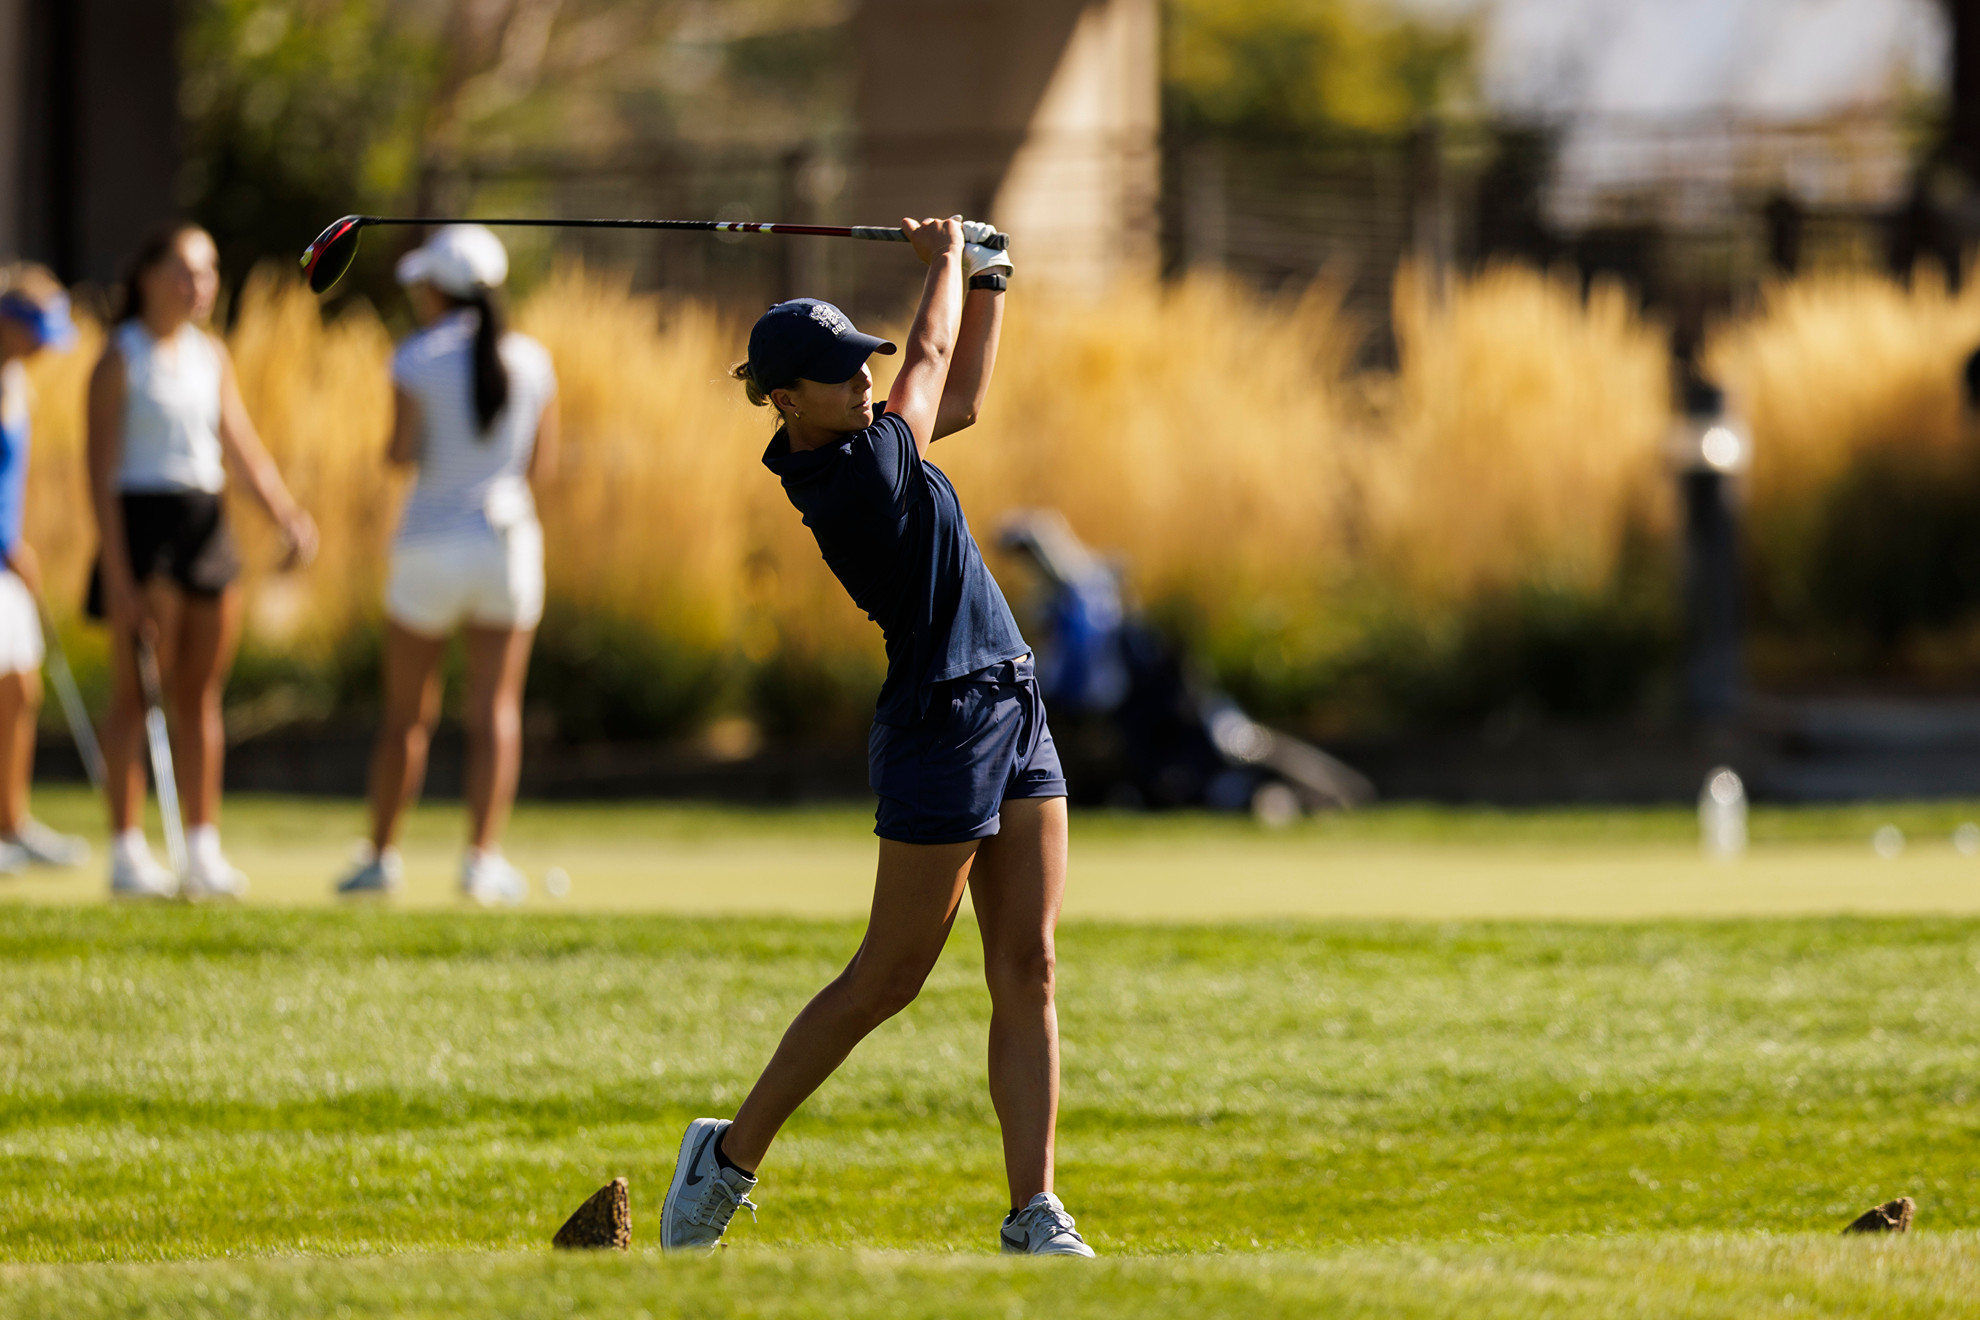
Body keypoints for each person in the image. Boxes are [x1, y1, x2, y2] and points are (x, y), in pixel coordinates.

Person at [657, 220, 1094, 1257]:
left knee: (1028, 966)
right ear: (782, 400)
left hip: (1012, 702)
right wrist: (943, 257)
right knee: (888, 977)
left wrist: (988, 276)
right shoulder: (855, 478)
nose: (861, 382)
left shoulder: (876, 437)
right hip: (940, 725)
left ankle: (1034, 1211)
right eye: (835, 375)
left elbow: (964, 394)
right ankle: (725, 1158)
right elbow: (931, 362)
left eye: (863, 366)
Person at [86, 223, 318, 900]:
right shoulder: (119, 357)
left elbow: (238, 443)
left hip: (205, 521)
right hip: (142, 523)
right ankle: (128, 850)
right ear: (150, 277)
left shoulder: (210, 355)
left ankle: (201, 849)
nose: (200, 285)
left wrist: (284, 514)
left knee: (200, 694)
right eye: (187, 270)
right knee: (136, 697)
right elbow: (99, 475)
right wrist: (120, 575)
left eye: (209, 272)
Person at [333, 225, 557, 905]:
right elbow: (540, 467)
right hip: (506, 544)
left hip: (430, 544)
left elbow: (399, 452)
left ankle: (380, 857)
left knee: (407, 714)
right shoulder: (533, 359)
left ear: (438, 289)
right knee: (495, 710)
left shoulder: (415, 358)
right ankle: (481, 862)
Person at [0, 264, 91, 875]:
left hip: (7, 557)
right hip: (2, 554)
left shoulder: (16, 382)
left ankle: (13, 823)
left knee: (21, 690)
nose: (43, 349)